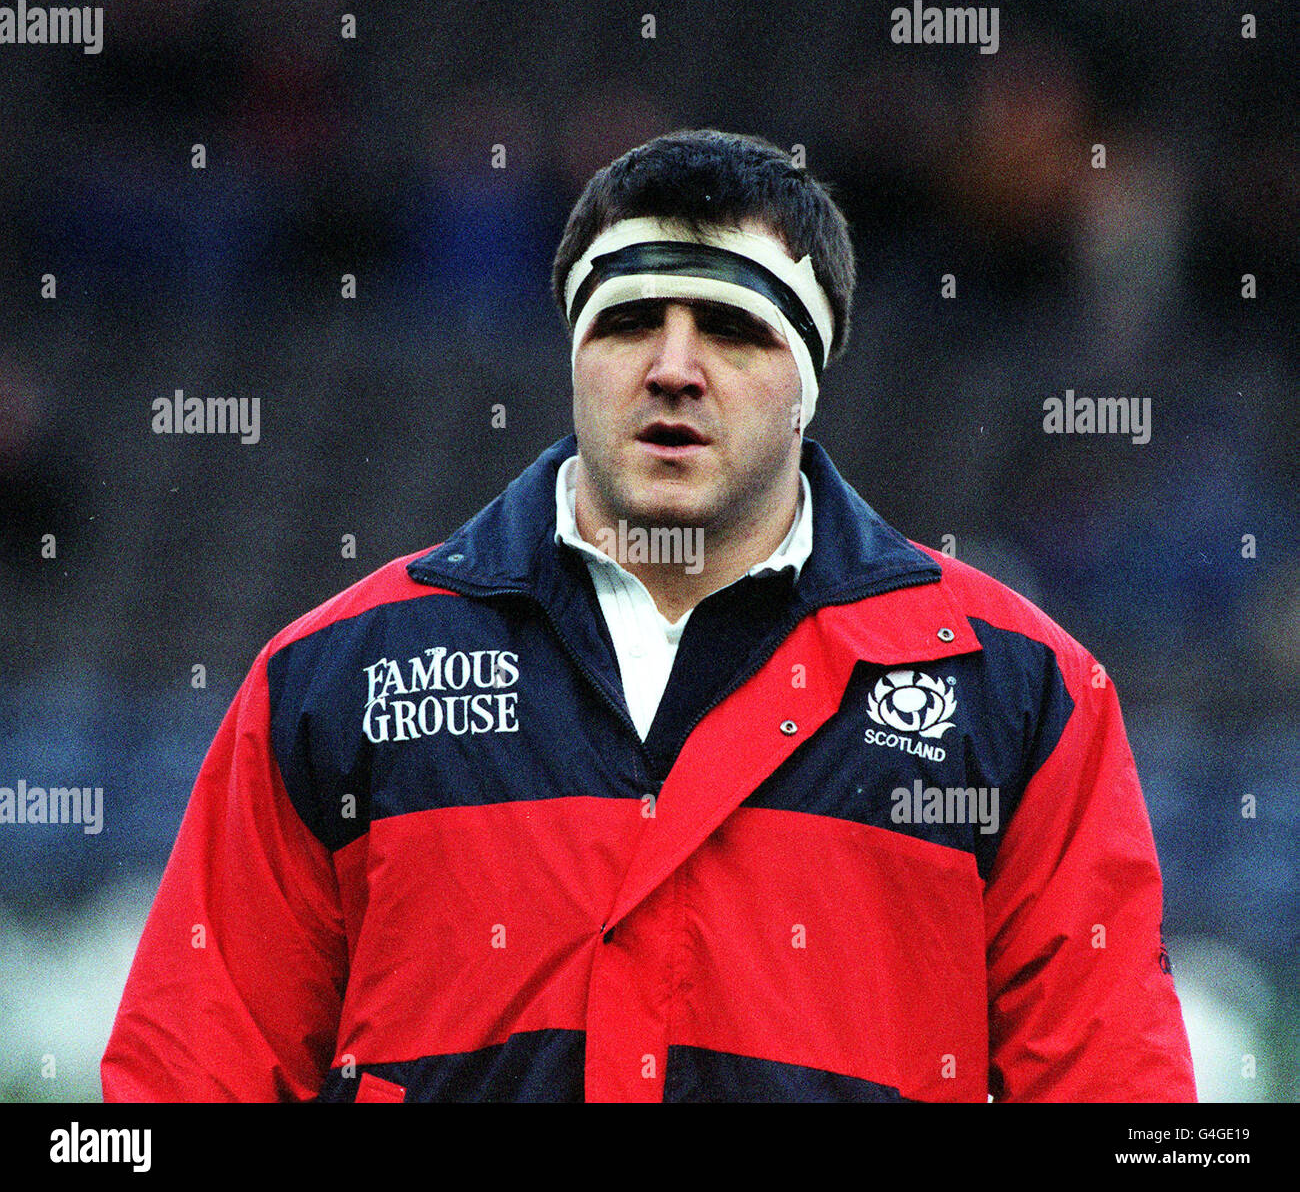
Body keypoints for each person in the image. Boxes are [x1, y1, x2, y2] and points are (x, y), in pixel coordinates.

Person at [101, 128, 1197, 1103]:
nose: (674, 370)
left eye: (732, 329)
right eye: (628, 322)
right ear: (575, 357)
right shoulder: (335, 674)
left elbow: (1110, 1083)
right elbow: (192, 1071)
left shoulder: (1015, 689)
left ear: (809, 375)